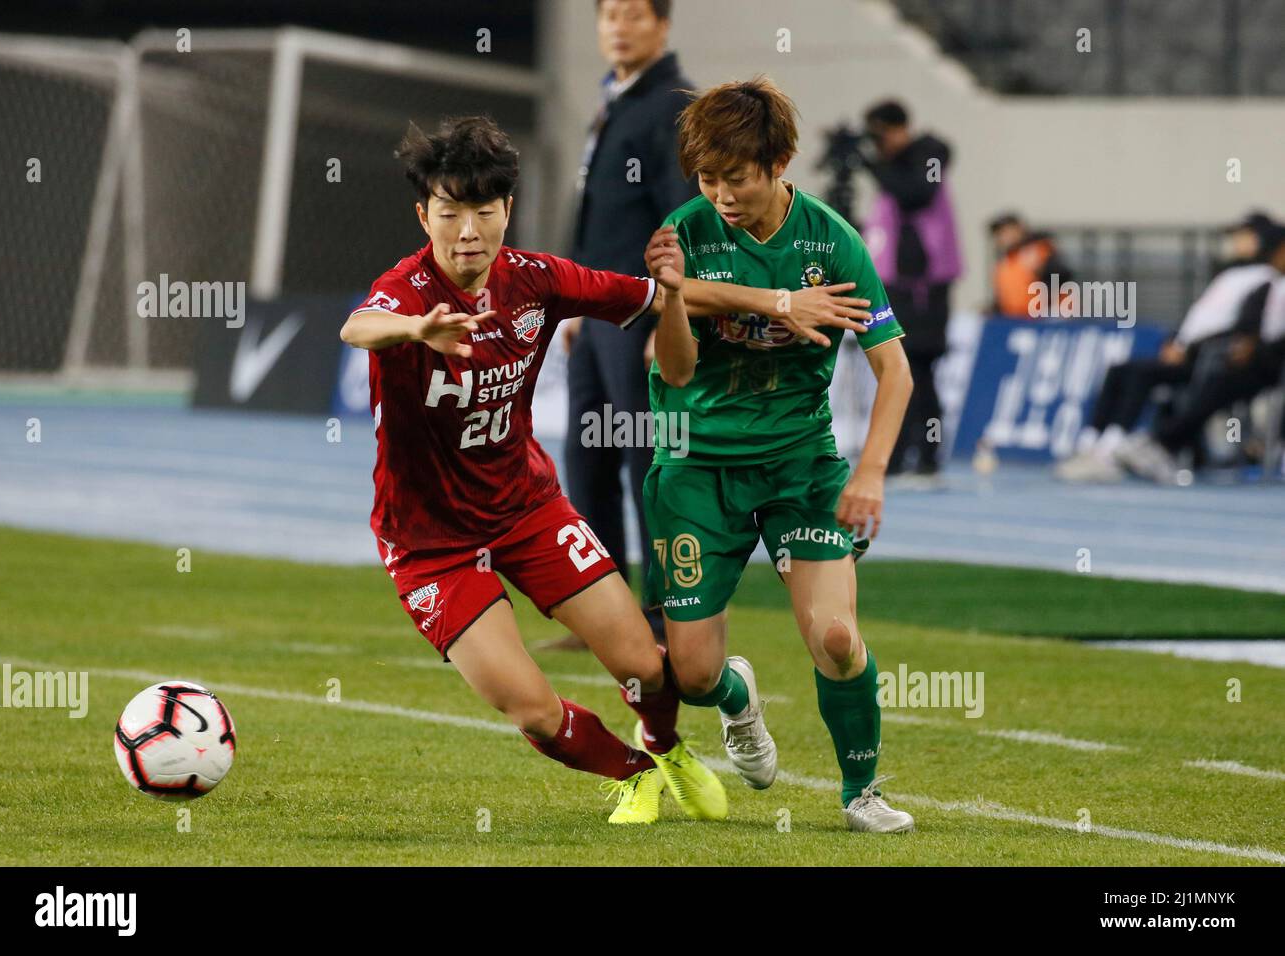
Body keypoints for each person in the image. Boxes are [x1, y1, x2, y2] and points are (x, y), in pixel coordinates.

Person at [338, 115, 726, 825]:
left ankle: (666, 745)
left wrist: (710, 295)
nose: (467, 232)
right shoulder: (407, 291)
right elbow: (358, 325)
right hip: (430, 545)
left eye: (483, 212)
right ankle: (632, 773)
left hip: (526, 510)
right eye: (449, 213)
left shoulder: (537, 280)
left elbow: (642, 295)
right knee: (533, 707)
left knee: (645, 661)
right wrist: (416, 329)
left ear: (506, 210)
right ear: (424, 215)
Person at [643, 77, 918, 833]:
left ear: (780, 162)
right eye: (707, 177)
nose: (722, 193)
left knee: (836, 637)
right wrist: (682, 298)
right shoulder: (686, 233)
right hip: (695, 466)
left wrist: (870, 474)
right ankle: (737, 696)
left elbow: (895, 369)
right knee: (692, 674)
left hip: (801, 464)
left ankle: (862, 791)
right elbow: (670, 369)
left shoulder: (832, 242)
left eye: (737, 175)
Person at [553, 0, 698, 649]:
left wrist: (672, 316)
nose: (618, 25)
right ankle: (606, 618)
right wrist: (571, 303)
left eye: (634, 14)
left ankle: (668, 619)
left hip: (639, 314)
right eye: (608, 13)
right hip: (595, 313)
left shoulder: (671, 104)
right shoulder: (616, 99)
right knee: (585, 461)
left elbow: (684, 218)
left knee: (652, 465)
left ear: (663, 26)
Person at [1058, 214, 1280, 483]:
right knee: (1121, 370)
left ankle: (1113, 450)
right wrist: (1175, 341)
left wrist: (1190, 349)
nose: (1235, 242)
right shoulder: (1232, 274)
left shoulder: (1265, 279)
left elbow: (1245, 328)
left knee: (1145, 376)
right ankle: (1092, 443)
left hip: (1210, 359)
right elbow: (1201, 318)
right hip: (1192, 352)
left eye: (1242, 237)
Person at [1116, 223, 1285, 484]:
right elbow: (1240, 325)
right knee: (1211, 379)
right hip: (1243, 362)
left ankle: (1162, 443)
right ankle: (1156, 445)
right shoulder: (1263, 284)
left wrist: (1255, 349)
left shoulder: (1264, 281)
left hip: (1270, 365)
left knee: (1217, 382)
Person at [859, 99, 962, 482]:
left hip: (925, 288)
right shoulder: (893, 168)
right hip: (895, 285)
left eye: (879, 135)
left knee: (919, 368)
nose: (878, 145)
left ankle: (927, 456)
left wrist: (873, 165)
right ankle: (898, 455)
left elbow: (916, 192)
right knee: (893, 369)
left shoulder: (930, 155)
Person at [988, 212, 1075, 319]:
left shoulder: (1038, 250)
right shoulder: (1004, 264)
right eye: (999, 234)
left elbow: (1062, 276)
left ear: (1019, 230)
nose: (1004, 238)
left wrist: (1043, 271)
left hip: (1045, 319)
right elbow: (1005, 299)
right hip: (1015, 321)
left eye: (1007, 232)